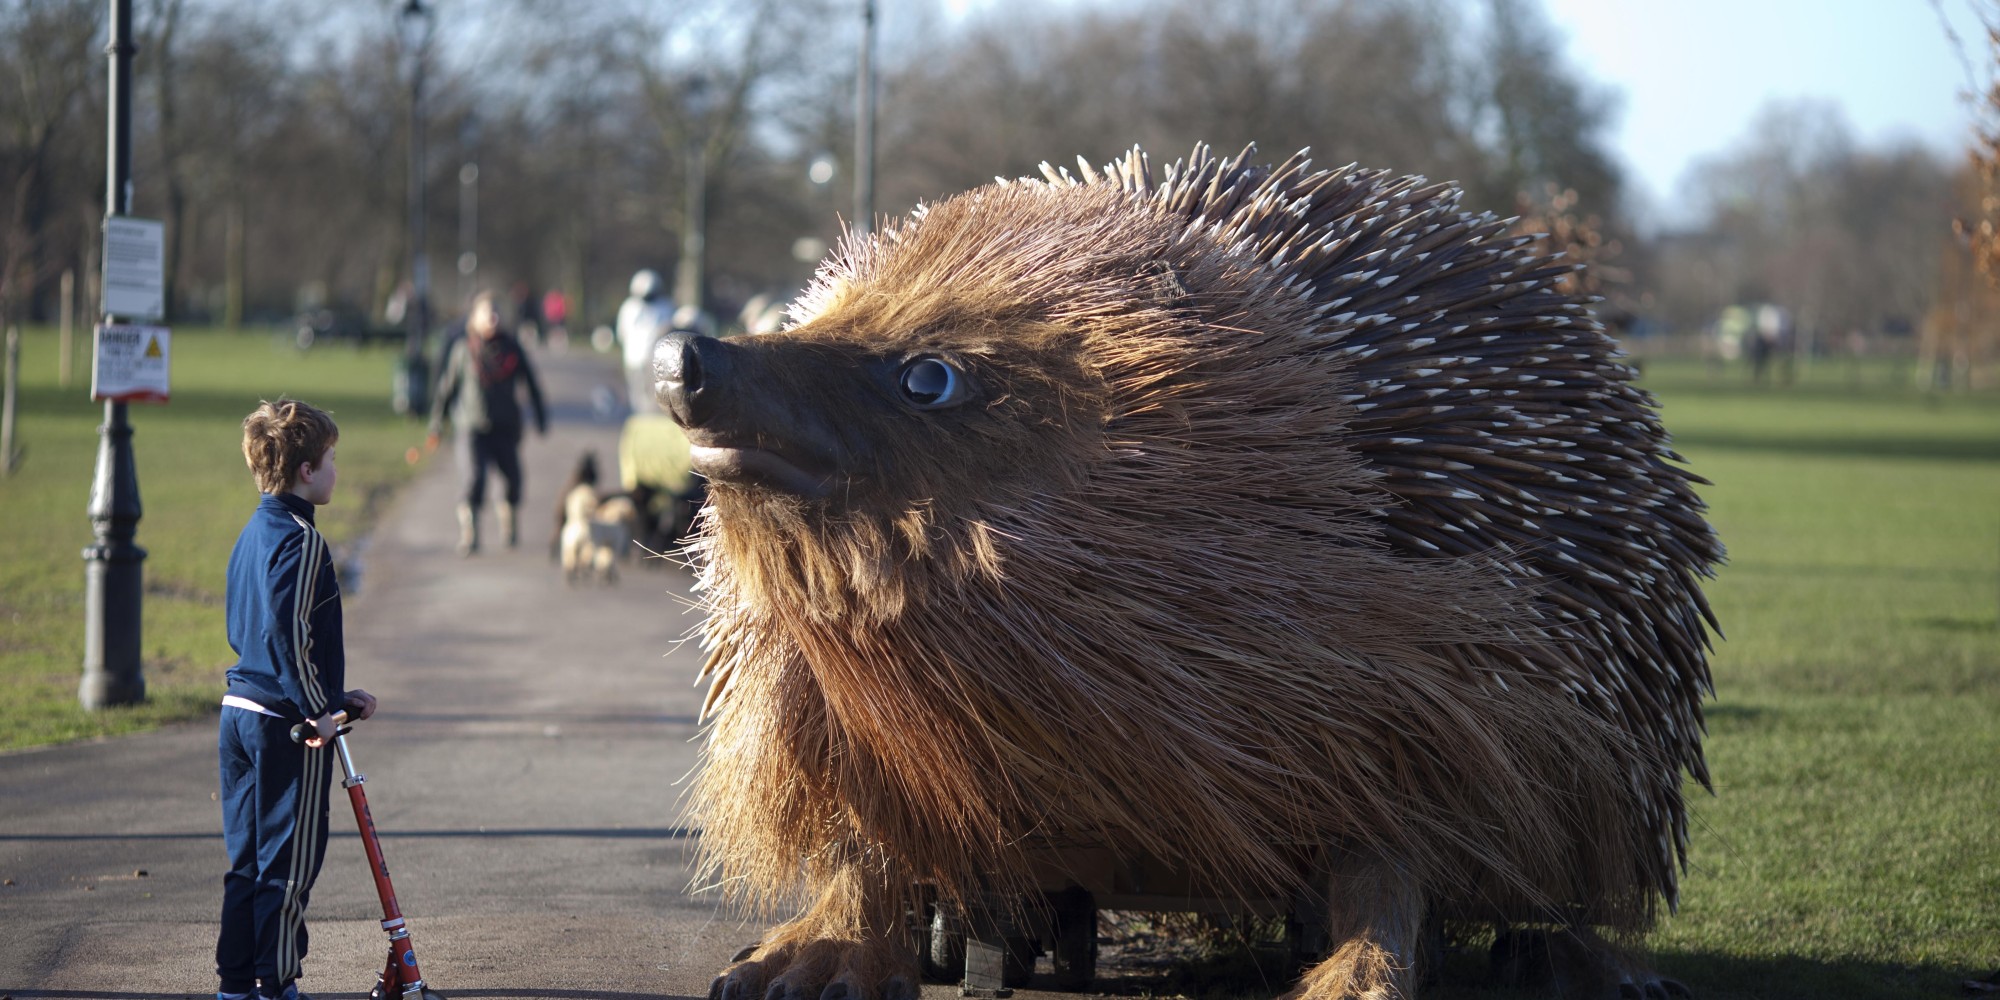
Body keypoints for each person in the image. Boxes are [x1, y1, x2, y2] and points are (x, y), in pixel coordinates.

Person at [218, 399, 379, 1000]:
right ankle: (276, 982)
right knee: (289, 864)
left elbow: (257, 631)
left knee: (248, 863)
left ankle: (235, 983)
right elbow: (287, 637)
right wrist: (320, 709)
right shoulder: (303, 538)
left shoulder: (251, 534)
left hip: (239, 712)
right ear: (307, 471)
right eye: (332, 458)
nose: (337, 469)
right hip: (288, 726)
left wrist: (337, 694)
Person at [428, 290, 549, 555]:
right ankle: (469, 534)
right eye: (487, 312)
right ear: (475, 318)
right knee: (473, 479)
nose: (493, 317)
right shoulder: (463, 350)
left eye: (496, 312)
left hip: (506, 427)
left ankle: (508, 523)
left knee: (513, 481)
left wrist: (541, 417)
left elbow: (531, 383)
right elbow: (446, 389)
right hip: (471, 428)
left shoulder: (512, 348)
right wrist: (436, 424)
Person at [615, 269, 675, 414]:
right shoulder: (629, 307)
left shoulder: (665, 307)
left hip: (656, 360)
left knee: (655, 392)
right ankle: (640, 414)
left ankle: (652, 416)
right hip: (634, 358)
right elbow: (622, 333)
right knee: (637, 391)